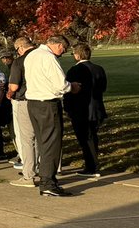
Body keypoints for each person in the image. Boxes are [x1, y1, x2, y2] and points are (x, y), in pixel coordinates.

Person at [25, 34, 80, 197]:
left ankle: (46, 178)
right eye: (63, 49)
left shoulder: (32, 55)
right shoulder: (49, 58)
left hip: (33, 102)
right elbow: (60, 84)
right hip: (47, 104)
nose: (62, 53)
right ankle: (48, 183)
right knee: (52, 143)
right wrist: (73, 87)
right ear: (58, 46)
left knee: (43, 142)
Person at [64, 43, 107, 177]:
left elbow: (69, 92)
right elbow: (103, 87)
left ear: (77, 55)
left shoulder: (74, 70)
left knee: (85, 139)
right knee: (92, 137)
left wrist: (67, 109)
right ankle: (93, 164)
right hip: (97, 108)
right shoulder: (99, 69)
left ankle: (91, 167)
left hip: (81, 110)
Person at [6, 37, 40, 189]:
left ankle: (29, 174)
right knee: (40, 137)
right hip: (42, 100)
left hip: (25, 100)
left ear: (19, 48)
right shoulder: (42, 57)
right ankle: (40, 168)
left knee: (27, 139)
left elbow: (14, 86)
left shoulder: (19, 62)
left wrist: (9, 93)